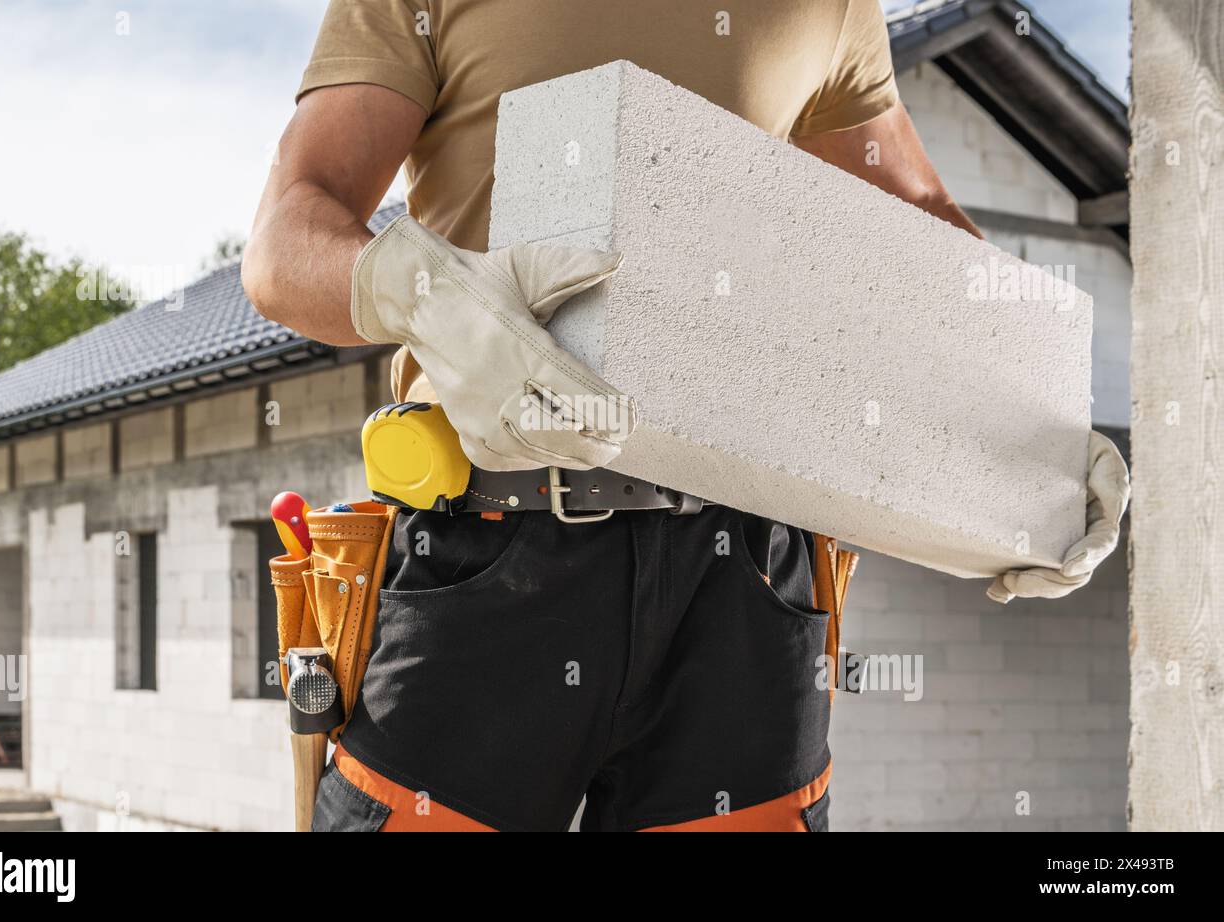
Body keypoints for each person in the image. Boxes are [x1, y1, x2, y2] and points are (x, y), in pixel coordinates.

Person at [243, 0, 1127, 831]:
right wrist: (420, 292)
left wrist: (1033, 428)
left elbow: (921, 223)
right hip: (487, 550)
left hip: (745, 569)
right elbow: (288, 239)